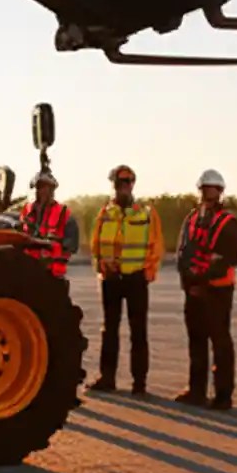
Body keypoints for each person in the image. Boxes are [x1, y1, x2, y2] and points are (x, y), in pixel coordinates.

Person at [88, 164, 165, 395]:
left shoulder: (146, 213)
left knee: (138, 331)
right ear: (114, 185)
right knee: (109, 330)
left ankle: (139, 383)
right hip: (111, 279)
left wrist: (148, 272)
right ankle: (107, 377)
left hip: (136, 280)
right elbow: (96, 245)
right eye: (121, 183)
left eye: (129, 183)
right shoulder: (104, 213)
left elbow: (157, 245)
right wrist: (101, 267)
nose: (125, 187)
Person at [175, 168, 237, 410]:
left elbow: (226, 259)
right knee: (196, 341)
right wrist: (189, 283)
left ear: (220, 192)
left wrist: (201, 282)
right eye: (204, 189)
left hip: (218, 291)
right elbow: (183, 253)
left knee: (220, 342)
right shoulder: (191, 219)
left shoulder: (229, 222)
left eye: (212, 190)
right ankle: (196, 390)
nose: (207, 194)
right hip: (193, 290)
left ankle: (223, 395)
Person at [19, 170, 81, 279]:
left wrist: (53, 253)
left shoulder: (64, 214)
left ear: (52, 190)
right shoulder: (26, 211)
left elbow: (72, 245)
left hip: (53, 274)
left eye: (45, 187)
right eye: (38, 187)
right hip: (28, 272)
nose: (41, 191)